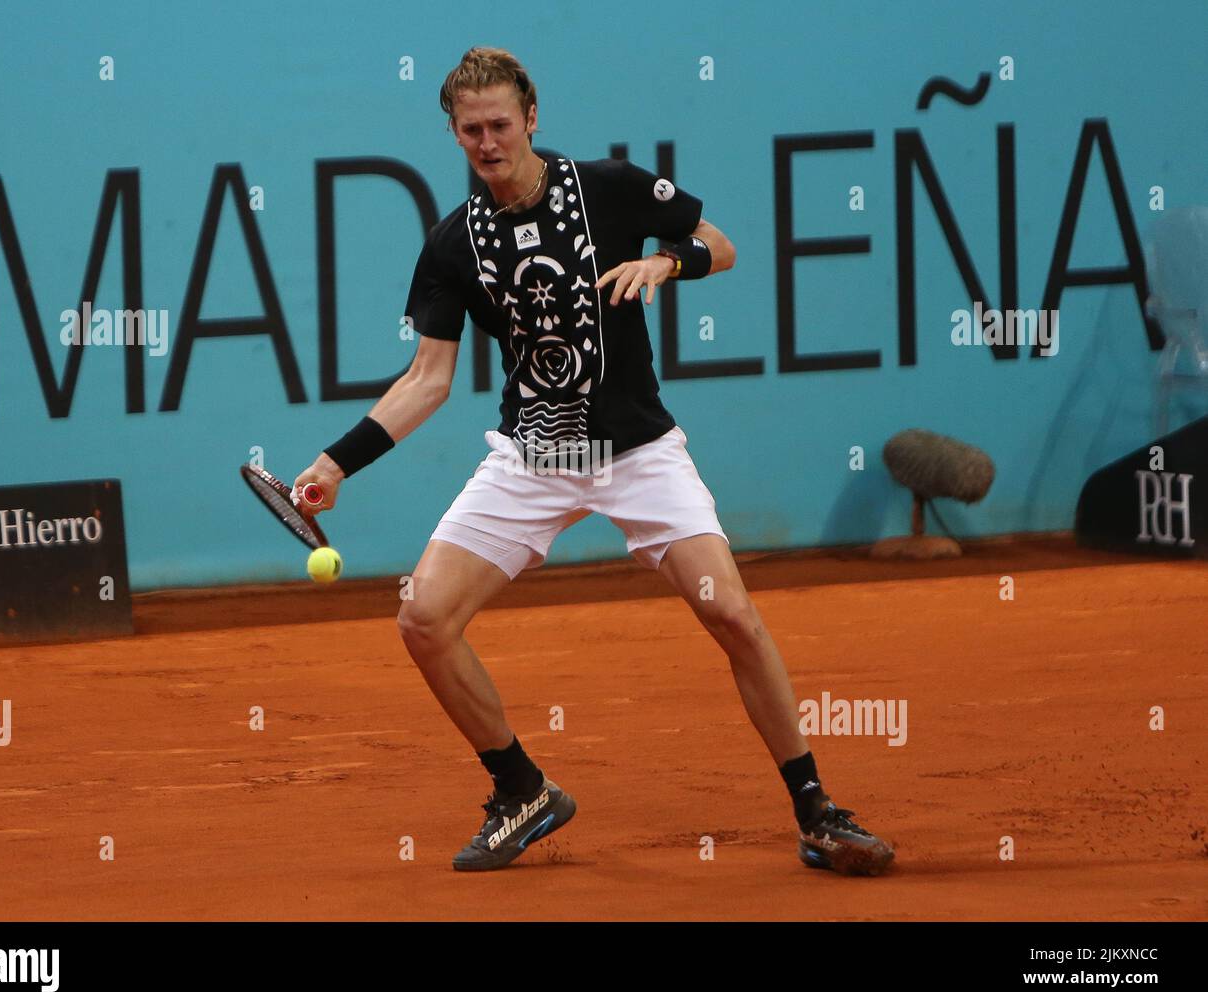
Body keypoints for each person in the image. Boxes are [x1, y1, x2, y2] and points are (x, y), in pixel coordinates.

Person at [294, 47, 894, 876]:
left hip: (641, 453)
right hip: (533, 458)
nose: (488, 141)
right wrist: (335, 463)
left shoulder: (609, 187)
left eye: (501, 124)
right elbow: (427, 381)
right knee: (423, 619)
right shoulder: (452, 243)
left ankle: (817, 810)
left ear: (531, 118)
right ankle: (522, 791)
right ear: (454, 133)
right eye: (471, 130)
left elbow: (720, 245)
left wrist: (664, 260)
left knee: (732, 616)